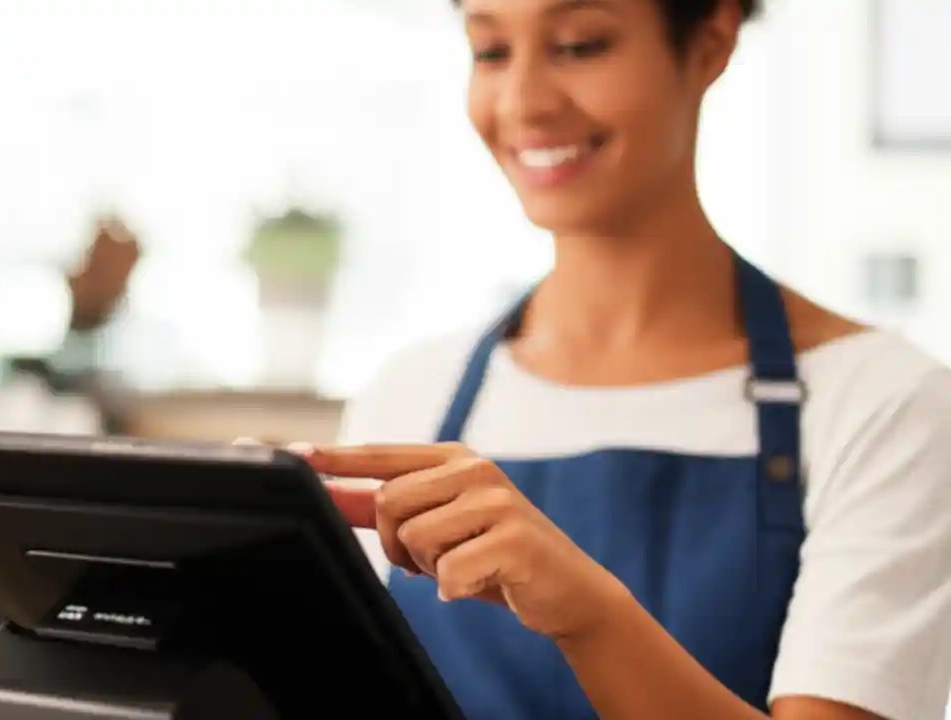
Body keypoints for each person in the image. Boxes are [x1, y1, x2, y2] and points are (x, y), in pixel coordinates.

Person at [290, 1, 951, 718]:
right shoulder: (411, 392)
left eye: (580, 45)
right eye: (491, 52)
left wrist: (591, 617)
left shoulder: (885, 402)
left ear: (708, 43)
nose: (524, 102)